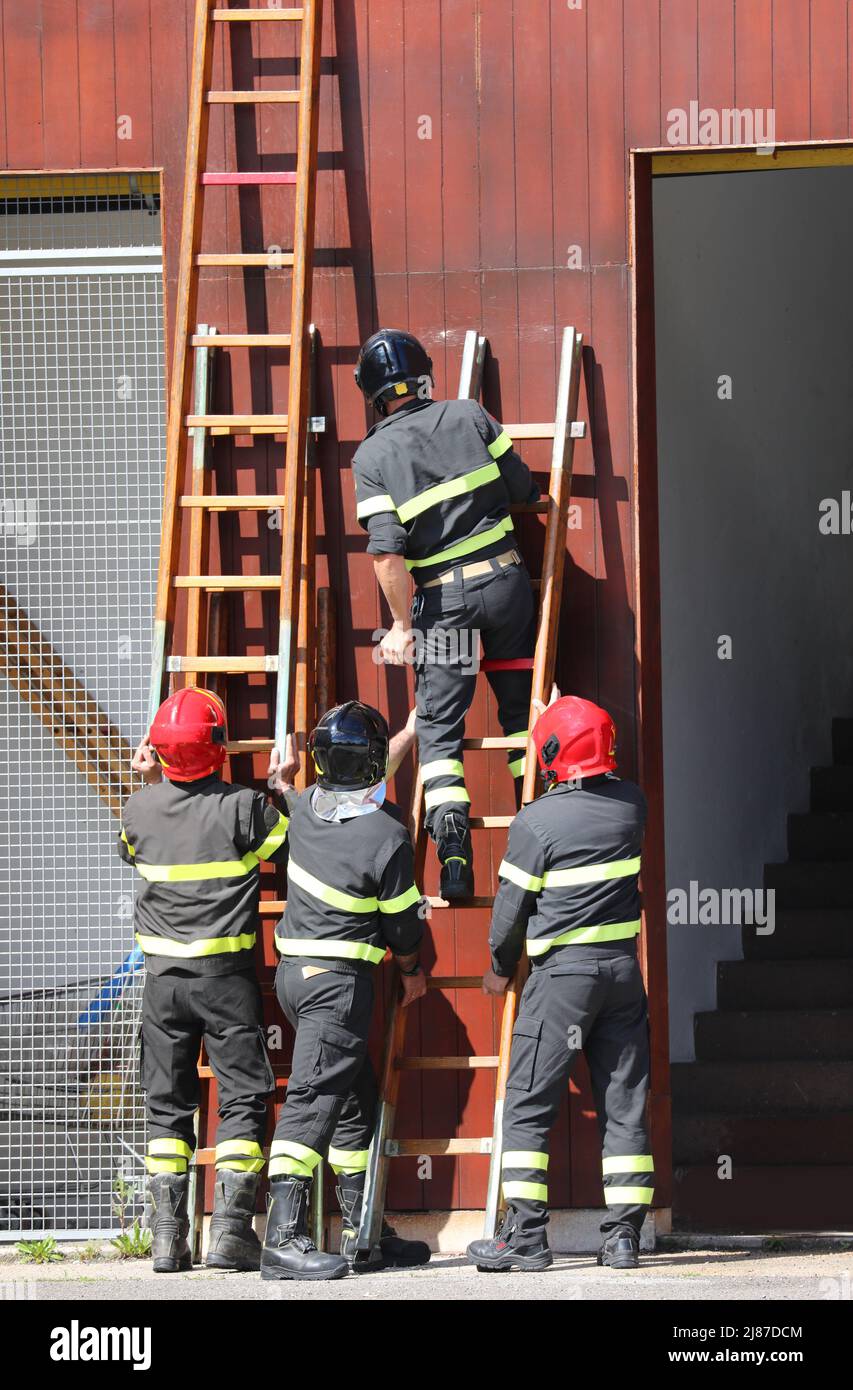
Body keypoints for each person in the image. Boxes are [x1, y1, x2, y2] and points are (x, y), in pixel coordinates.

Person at [466, 693, 653, 1273]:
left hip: (563, 978)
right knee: (624, 1102)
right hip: (622, 973)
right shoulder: (632, 806)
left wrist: (499, 969)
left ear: (550, 754)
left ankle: (525, 1237)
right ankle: (623, 1238)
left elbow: (509, 913)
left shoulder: (536, 821)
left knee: (528, 1102)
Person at [352, 327, 540, 901]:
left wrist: (404, 628)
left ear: (375, 397)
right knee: (519, 714)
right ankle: (537, 827)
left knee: (439, 731)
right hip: (508, 585)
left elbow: (387, 556)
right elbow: (524, 487)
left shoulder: (372, 456)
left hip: (446, 603)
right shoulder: (470, 415)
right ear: (422, 379)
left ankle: (455, 854)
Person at [119, 687, 289, 1274]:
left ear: (159, 751)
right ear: (218, 748)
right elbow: (288, 845)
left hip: (161, 984)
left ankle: (168, 1240)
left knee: (166, 1106)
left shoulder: (137, 809)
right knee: (242, 1096)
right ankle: (232, 1236)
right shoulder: (244, 807)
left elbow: (131, 847)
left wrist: (149, 779)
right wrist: (284, 784)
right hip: (227, 981)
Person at [260, 701, 432, 1280]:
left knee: (354, 1100)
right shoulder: (389, 836)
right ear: (375, 763)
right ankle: (281, 1241)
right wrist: (412, 970)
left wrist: (406, 733)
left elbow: (339, 775)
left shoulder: (303, 807)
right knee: (312, 1099)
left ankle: (363, 1234)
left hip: (296, 979)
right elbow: (403, 928)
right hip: (338, 989)